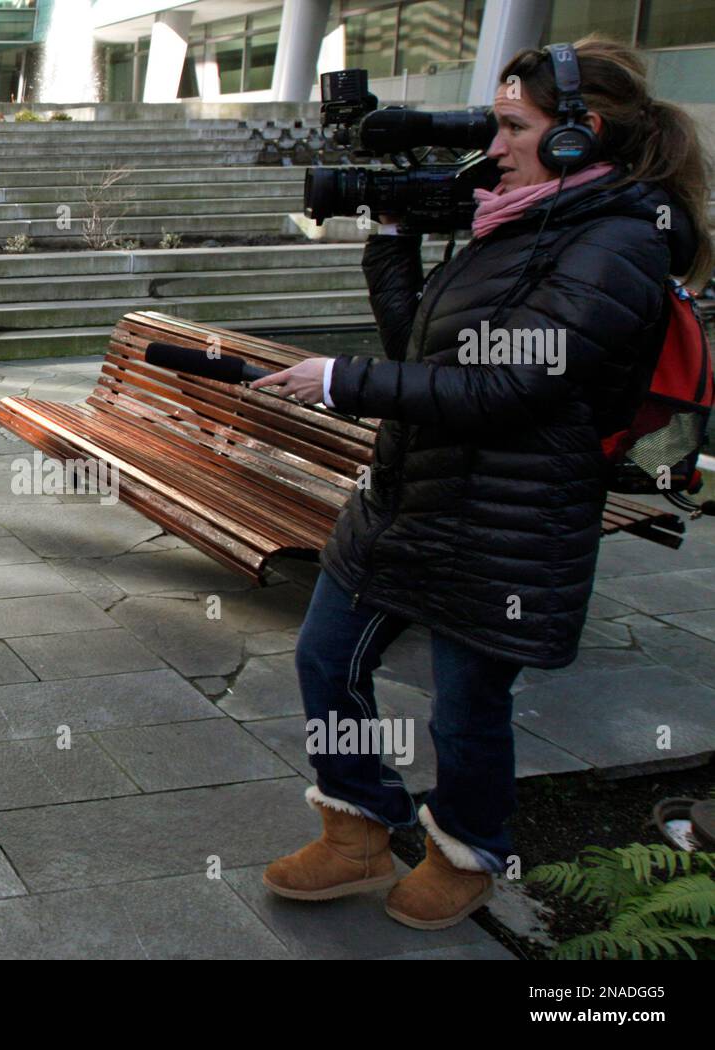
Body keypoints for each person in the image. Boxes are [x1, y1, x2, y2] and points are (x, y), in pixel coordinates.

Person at [249, 36, 712, 929]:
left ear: (581, 135)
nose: (493, 147)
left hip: (510, 522)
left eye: (512, 127)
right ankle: (358, 828)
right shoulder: (519, 217)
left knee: (465, 706)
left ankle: (467, 852)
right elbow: (420, 344)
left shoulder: (618, 241)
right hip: (409, 500)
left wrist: (340, 381)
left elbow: (513, 382)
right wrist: (392, 237)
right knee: (323, 659)